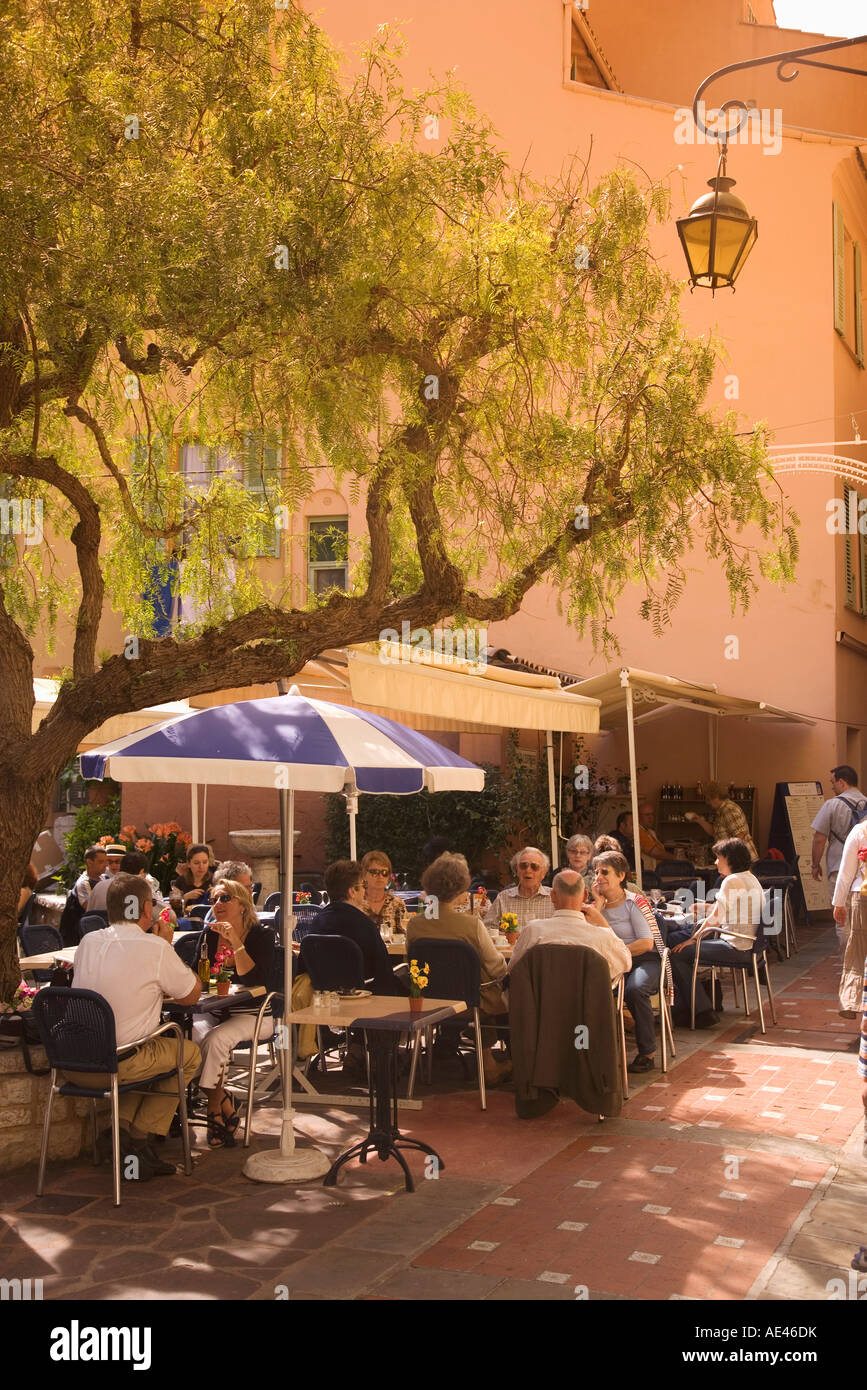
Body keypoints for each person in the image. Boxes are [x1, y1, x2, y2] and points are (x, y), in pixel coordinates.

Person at [68, 873, 201, 1179]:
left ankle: (120, 1131)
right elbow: (191, 995)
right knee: (186, 1052)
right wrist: (164, 944)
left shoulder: (87, 942)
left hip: (72, 1063)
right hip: (116, 1065)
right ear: (144, 909)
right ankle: (139, 1142)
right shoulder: (154, 947)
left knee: (148, 1050)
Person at [407, 852, 511, 1085]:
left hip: (427, 1000)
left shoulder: (414, 924)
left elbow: (413, 963)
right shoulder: (471, 924)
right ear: (462, 890)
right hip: (469, 1002)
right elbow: (495, 966)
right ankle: (494, 1063)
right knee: (495, 986)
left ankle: (453, 1050)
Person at [192, 879, 275, 1148]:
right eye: (214, 899)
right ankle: (225, 1098)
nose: (217, 904)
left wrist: (235, 941)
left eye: (225, 898)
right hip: (216, 1010)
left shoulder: (261, 934)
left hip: (255, 1013)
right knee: (192, 1036)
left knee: (216, 1040)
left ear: (242, 904)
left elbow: (255, 978)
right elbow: (198, 976)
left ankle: (213, 1109)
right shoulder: (209, 935)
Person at [591, 851, 671, 1074]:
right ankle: (594, 1051)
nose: (599, 877)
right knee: (585, 989)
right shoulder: (596, 906)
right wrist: (597, 904)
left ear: (621, 875)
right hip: (611, 964)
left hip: (644, 960)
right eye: (596, 872)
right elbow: (589, 935)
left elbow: (646, 943)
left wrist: (617, 952)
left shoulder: (633, 902)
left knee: (636, 989)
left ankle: (647, 1053)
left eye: (605, 872)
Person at [671, 840, 764, 995]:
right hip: (749, 945)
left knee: (679, 953)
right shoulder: (750, 878)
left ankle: (700, 1008)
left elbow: (715, 918)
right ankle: (703, 1002)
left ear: (730, 860)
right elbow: (724, 910)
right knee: (686, 938)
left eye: (718, 858)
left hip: (737, 947)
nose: (715, 863)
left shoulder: (731, 880)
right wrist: (701, 908)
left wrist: (693, 940)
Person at [509, 869, 631, 984]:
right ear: (584, 896)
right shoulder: (601, 936)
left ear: (552, 896)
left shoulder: (533, 930)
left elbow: (513, 970)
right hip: (587, 1004)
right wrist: (603, 924)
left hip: (541, 1004)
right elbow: (626, 962)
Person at [303, 859, 396, 993]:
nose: (365, 889)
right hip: (363, 996)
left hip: (325, 996)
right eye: (363, 884)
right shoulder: (364, 924)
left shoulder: (318, 921)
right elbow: (384, 971)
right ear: (352, 891)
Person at [811, 767, 867, 942]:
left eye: (832, 782)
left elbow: (819, 839)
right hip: (863, 870)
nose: (832, 787)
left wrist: (815, 864)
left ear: (842, 782)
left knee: (842, 916)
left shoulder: (832, 805)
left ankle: (846, 957)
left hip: (838, 864)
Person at [831, 815, 867, 1015]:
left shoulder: (860, 831)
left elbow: (845, 873)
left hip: (862, 897)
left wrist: (838, 903)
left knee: (858, 952)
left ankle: (852, 1002)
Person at [484, 846, 554, 929]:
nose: (528, 870)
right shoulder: (503, 898)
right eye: (523, 866)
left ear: (543, 873)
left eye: (534, 866)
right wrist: (507, 935)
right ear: (517, 870)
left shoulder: (555, 897)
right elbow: (488, 928)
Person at [688, 782, 758, 862]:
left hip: (742, 861)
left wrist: (727, 859)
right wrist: (698, 819)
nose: (707, 803)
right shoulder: (721, 811)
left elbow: (740, 835)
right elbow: (714, 832)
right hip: (736, 860)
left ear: (716, 796)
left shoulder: (728, 809)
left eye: (708, 799)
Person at [87, 851, 169, 916]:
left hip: (98, 934)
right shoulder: (141, 887)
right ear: (142, 871)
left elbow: (88, 915)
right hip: (128, 935)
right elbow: (167, 915)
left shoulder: (99, 886)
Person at [360, 850, 408, 936]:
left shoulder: (397, 904)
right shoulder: (356, 903)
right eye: (374, 872)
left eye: (384, 873)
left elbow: (405, 936)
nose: (380, 876)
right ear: (364, 874)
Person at [170, 844, 216, 915]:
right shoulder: (181, 881)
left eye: (205, 862)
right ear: (189, 864)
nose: (201, 866)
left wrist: (215, 894)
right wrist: (186, 897)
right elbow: (173, 909)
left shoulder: (214, 880)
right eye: (196, 863)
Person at [637, 802, 668, 869]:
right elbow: (656, 853)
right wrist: (677, 858)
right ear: (638, 816)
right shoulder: (638, 831)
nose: (651, 817)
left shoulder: (650, 831)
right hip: (650, 874)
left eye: (652, 814)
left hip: (659, 869)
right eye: (647, 815)